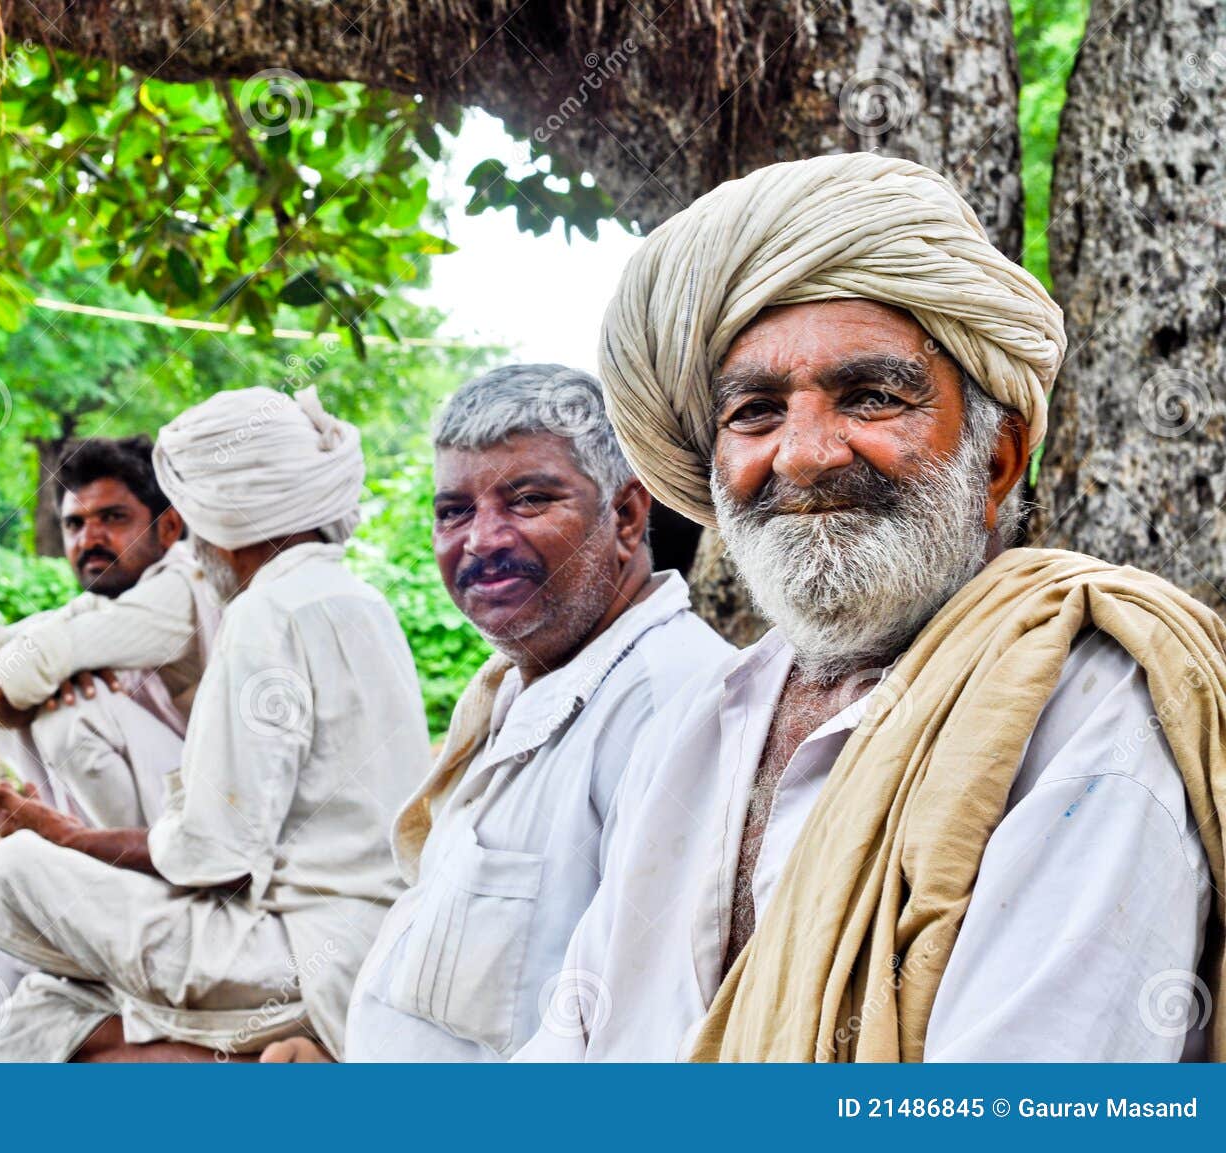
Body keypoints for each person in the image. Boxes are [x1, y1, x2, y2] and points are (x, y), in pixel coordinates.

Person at [519, 152, 1226, 1062]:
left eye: (872, 396)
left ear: (998, 460)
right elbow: (568, 1044)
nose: (805, 453)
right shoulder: (707, 716)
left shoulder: (1090, 712)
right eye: (755, 411)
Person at [260, 365, 732, 1063]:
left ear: (627, 516)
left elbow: (633, 1049)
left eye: (529, 499)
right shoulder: (526, 680)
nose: (480, 539)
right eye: (453, 510)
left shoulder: (671, 705)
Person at [0, 386, 432, 1062]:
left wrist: (69, 838)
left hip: (296, 954)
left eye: (190, 507)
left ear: (224, 512)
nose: (187, 531)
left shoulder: (263, 613)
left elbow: (216, 854)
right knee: (45, 1010)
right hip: (376, 943)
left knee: (14, 871)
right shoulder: (361, 599)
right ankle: (259, 1052)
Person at [0, 436, 218, 1002]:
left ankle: (127, 881)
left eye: (113, 518)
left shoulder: (182, 591)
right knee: (2, 969)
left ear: (167, 529)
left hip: (198, 845)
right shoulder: (85, 613)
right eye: (74, 524)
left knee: (74, 711)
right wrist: (26, 676)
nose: (90, 538)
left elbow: (32, 667)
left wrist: (19, 692)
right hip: (107, 846)